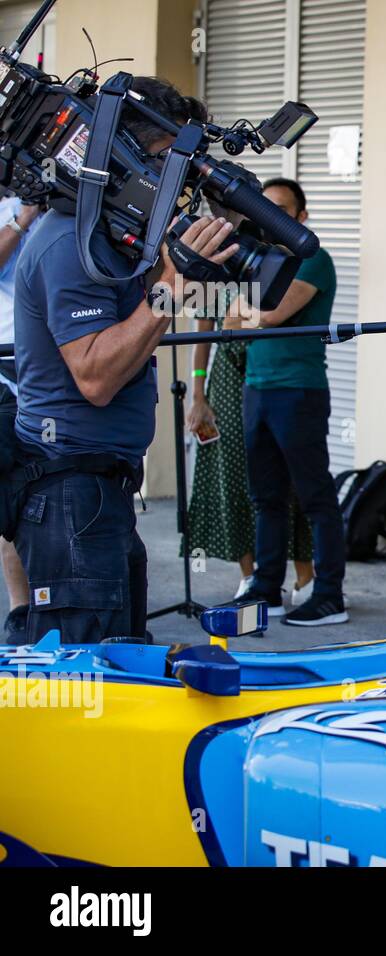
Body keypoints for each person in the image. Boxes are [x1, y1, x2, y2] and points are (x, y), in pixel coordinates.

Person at [10, 77, 234, 644]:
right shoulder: (69, 244)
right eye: (164, 161)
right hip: (70, 493)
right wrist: (172, 288)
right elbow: (95, 376)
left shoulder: (108, 239)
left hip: (100, 489)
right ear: (121, 159)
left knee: (121, 669)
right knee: (84, 687)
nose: (173, 181)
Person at [181, 217, 315, 604]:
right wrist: (198, 393)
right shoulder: (212, 269)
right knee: (230, 473)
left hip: (270, 369)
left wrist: (239, 315)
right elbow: (204, 331)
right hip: (226, 374)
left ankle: (304, 576)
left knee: (283, 473)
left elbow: (270, 317)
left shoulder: (282, 262)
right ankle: (249, 574)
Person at [235, 177, 348, 626]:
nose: (272, 218)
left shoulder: (313, 259)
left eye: (282, 209)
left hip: (298, 390)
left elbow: (271, 314)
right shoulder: (259, 260)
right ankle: (267, 591)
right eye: (265, 210)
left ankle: (329, 597)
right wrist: (247, 314)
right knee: (266, 497)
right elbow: (235, 316)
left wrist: (246, 313)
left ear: (301, 217)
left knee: (315, 496)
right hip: (256, 388)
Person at [0, 194, 43, 641]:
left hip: (65, 365)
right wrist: (23, 216)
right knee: (13, 493)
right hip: (9, 370)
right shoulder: (11, 207)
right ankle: (20, 608)